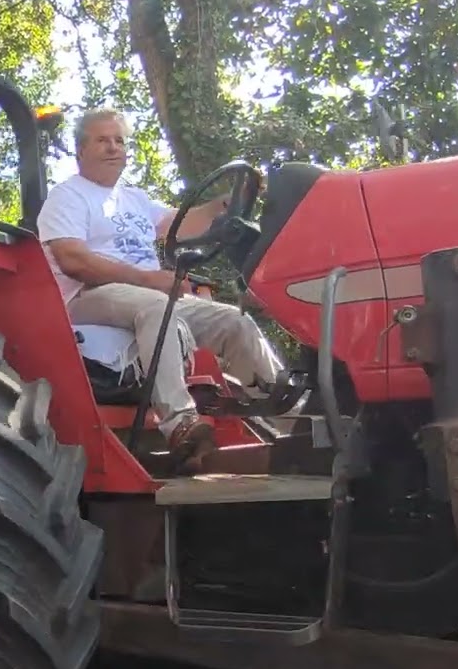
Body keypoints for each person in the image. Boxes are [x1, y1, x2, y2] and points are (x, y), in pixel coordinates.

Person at [38, 109, 284, 468]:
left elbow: (179, 225)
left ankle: (288, 416)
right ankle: (180, 422)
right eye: (102, 140)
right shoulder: (68, 196)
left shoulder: (134, 199)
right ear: (80, 150)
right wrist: (150, 279)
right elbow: (73, 261)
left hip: (147, 295)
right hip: (87, 298)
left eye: (119, 140)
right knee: (158, 309)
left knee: (234, 322)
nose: (113, 148)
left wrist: (230, 200)